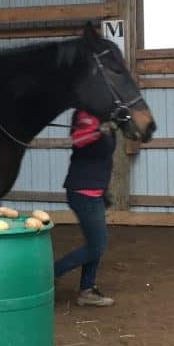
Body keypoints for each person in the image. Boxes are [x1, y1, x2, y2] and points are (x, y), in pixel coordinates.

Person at [54, 109, 116, 307]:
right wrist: (99, 131)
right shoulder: (84, 115)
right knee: (96, 246)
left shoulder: (103, 116)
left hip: (94, 191)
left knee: (95, 243)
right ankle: (49, 275)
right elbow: (78, 139)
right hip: (83, 193)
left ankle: (87, 290)